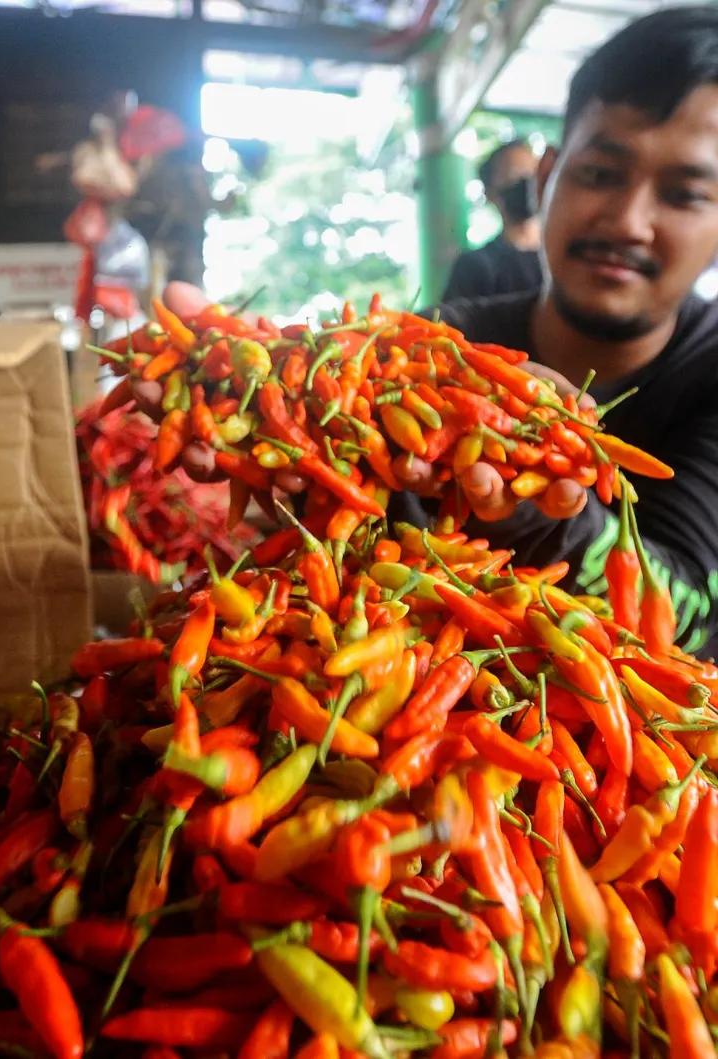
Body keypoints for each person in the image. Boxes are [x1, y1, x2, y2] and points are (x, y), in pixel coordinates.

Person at [165, 4, 718, 658]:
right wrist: (276, 437)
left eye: (684, 193)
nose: (629, 220)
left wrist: (526, 482)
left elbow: (677, 621)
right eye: (600, 173)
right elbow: (336, 565)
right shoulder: (428, 351)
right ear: (545, 180)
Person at [442, 140, 545, 301]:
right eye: (514, 175)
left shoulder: (564, 258)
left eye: (533, 172)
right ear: (490, 193)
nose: (527, 181)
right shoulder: (475, 268)